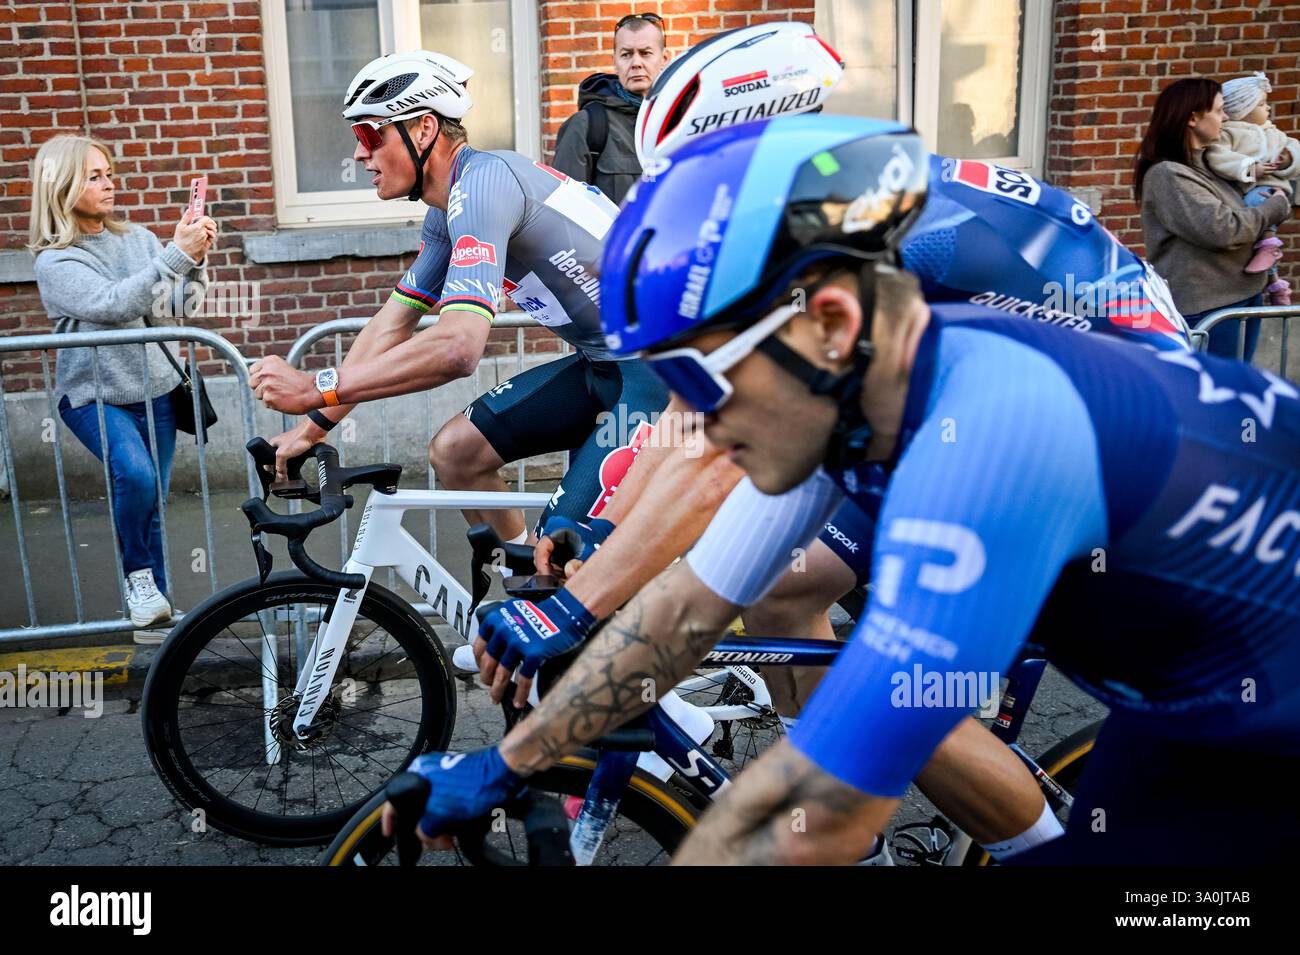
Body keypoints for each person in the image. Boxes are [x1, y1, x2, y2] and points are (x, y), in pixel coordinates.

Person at [404, 116, 1300, 865]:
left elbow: (825, 808)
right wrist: (506, 763)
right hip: (1188, 707)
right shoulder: (848, 409)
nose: (691, 427)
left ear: (827, 323)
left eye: (699, 379)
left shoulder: (994, 438)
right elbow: (681, 613)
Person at [249, 51, 667, 547]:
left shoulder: (486, 183)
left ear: (424, 129)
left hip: (662, 376)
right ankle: (523, 577)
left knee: (558, 554)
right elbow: (391, 326)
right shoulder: (448, 208)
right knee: (456, 452)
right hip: (605, 366)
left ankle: (555, 598)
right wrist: (312, 428)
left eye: (368, 135)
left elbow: (457, 348)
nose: (360, 155)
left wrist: (316, 386)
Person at [29, 134, 215, 634]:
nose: (109, 184)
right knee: (134, 476)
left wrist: (194, 260)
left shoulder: (137, 240)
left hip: (155, 389)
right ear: (61, 185)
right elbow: (111, 304)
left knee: (149, 495)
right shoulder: (55, 261)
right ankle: (140, 580)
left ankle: (154, 609)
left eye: (109, 173)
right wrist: (176, 254)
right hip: (94, 397)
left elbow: (178, 309)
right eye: (94, 176)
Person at [1137, 77, 1292, 360]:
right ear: (1194, 118)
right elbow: (1224, 230)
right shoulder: (1169, 175)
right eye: (1220, 110)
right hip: (1208, 309)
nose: (1227, 117)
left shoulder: (1211, 168)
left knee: (1234, 391)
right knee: (1213, 394)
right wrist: (1274, 208)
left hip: (1241, 301)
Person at [551, 12, 671, 203]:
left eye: (646, 53)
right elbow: (566, 212)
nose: (636, 63)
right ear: (614, 60)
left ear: (664, 58)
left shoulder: (683, 120)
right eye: (626, 54)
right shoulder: (587, 126)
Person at [1204, 71, 1300, 305]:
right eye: (1261, 104)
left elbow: (1295, 148)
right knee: (1255, 217)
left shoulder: (1274, 133)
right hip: (1249, 192)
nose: (1267, 109)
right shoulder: (1229, 133)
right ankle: (1275, 283)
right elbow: (1218, 157)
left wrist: (1288, 159)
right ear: (1242, 108)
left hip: (1275, 190)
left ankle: (1270, 261)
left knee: (1261, 216)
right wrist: (1249, 168)